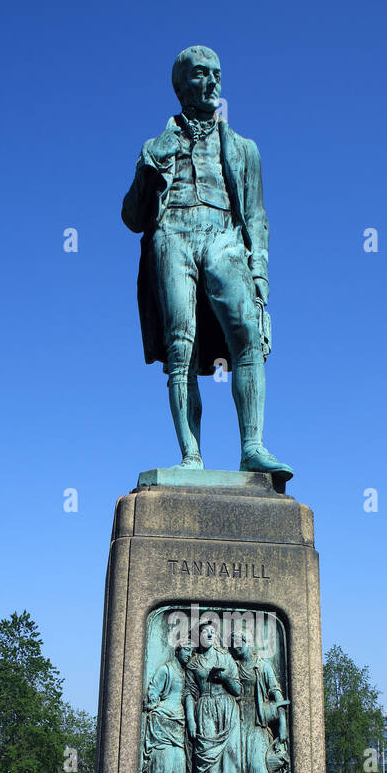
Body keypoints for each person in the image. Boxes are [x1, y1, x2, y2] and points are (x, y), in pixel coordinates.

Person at [122, 45, 292, 480]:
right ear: (181, 86)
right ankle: (191, 456)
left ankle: (252, 446)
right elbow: (132, 217)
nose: (213, 82)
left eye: (217, 74)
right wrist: (150, 163)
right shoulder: (155, 147)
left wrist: (260, 273)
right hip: (172, 234)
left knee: (247, 333)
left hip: (223, 237)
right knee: (181, 345)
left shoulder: (242, 148)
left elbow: (255, 214)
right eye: (201, 74)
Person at [184, 620, 243, 773]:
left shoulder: (225, 658)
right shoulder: (194, 663)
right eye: (204, 632)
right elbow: (190, 692)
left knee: (224, 761)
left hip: (226, 709)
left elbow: (237, 690)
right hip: (204, 708)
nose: (209, 635)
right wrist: (190, 719)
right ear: (198, 637)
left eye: (212, 632)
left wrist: (225, 677)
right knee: (204, 760)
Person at [231, 636, 288, 773]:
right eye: (232, 643)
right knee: (242, 765)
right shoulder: (235, 667)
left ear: (247, 642)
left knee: (258, 764)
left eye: (238, 642)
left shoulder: (263, 666)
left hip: (258, 720)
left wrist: (282, 725)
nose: (235, 646)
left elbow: (276, 694)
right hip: (239, 720)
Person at [142, 643, 194, 773]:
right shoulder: (166, 670)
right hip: (163, 720)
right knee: (162, 763)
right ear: (177, 651)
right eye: (187, 650)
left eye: (192, 651)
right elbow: (153, 693)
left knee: (177, 764)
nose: (190, 654)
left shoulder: (187, 673)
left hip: (178, 722)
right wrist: (156, 708)